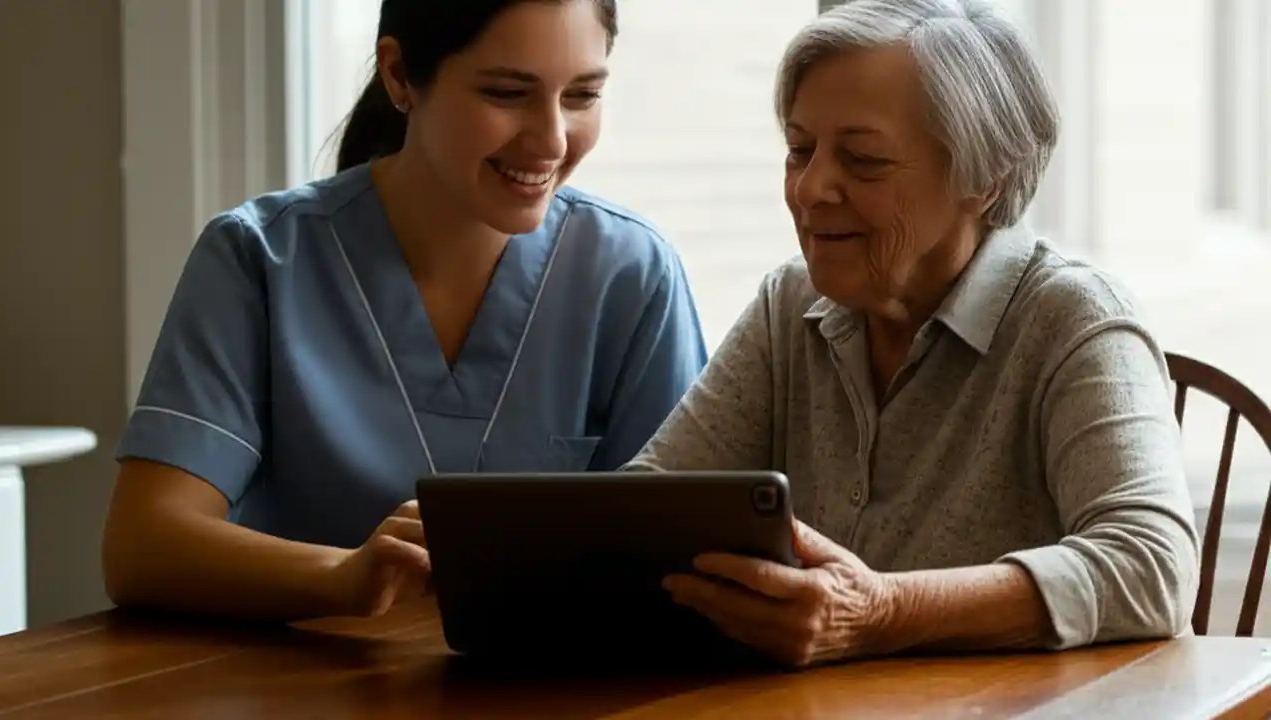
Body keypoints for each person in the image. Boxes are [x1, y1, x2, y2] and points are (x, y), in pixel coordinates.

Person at [632, 0, 1199, 667]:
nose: (811, 188)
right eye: (798, 150)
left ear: (983, 176)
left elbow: (1151, 566)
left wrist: (882, 611)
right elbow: (646, 509)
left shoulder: (1074, 319)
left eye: (863, 160)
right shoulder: (790, 303)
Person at [103, 0, 706, 622]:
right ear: (398, 75)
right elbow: (144, 546)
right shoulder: (258, 258)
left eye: (581, 97)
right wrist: (342, 578)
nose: (552, 139)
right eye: (506, 93)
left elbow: (693, 553)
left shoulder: (631, 274)